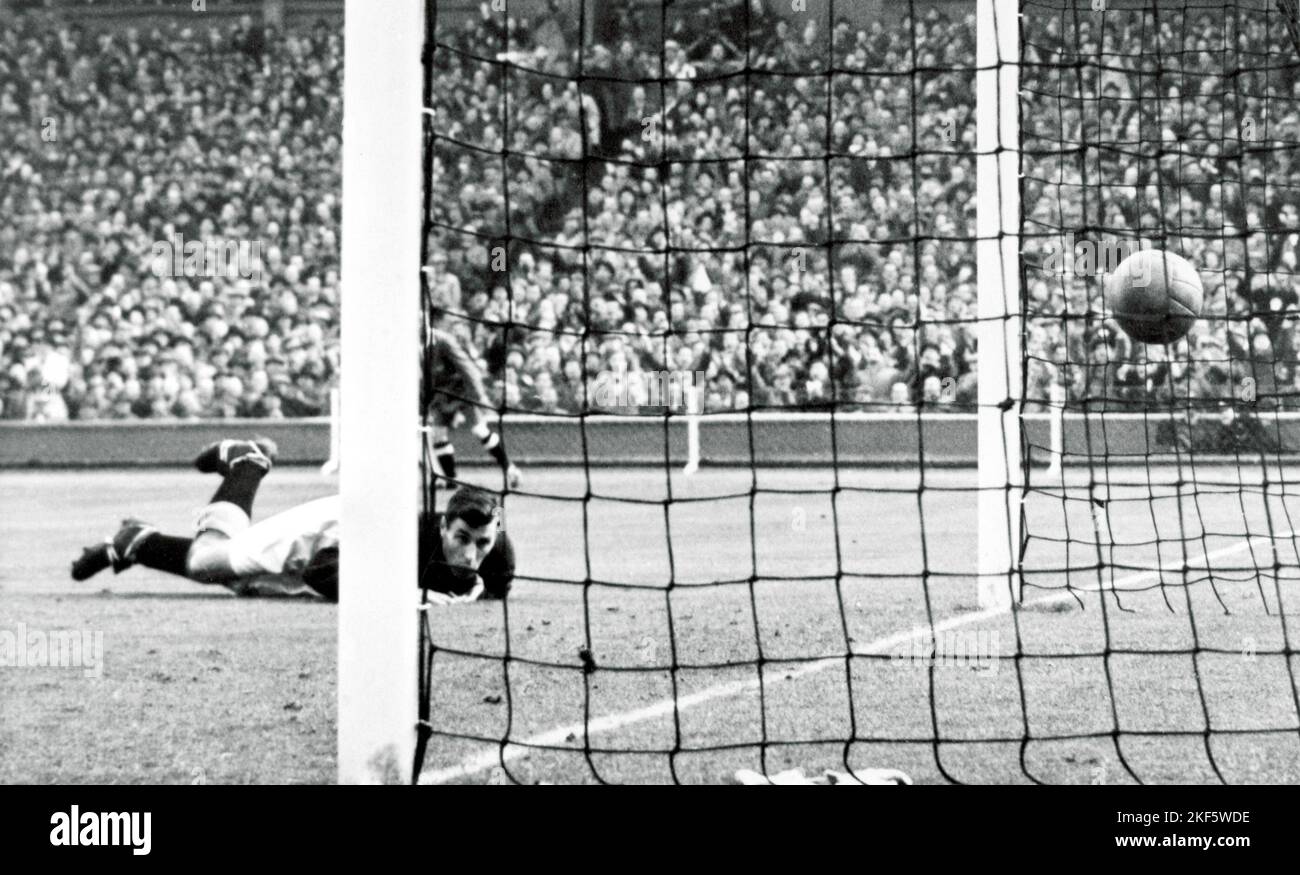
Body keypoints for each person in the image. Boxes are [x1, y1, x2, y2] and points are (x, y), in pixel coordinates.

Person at [70, 438, 339, 599]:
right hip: (326, 531)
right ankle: (246, 463)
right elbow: (322, 570)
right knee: (206, 562)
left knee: (247, 581)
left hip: (341, 528)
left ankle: (140, 543)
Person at [424, 326, 522, 490]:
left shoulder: (443, 341)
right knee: (438, 435)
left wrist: (479, 397)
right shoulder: (414, 344)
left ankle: (510, 469)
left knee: (479, 430)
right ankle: (451, 479)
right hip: (441, 395)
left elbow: (467, 369)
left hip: (462, 391)